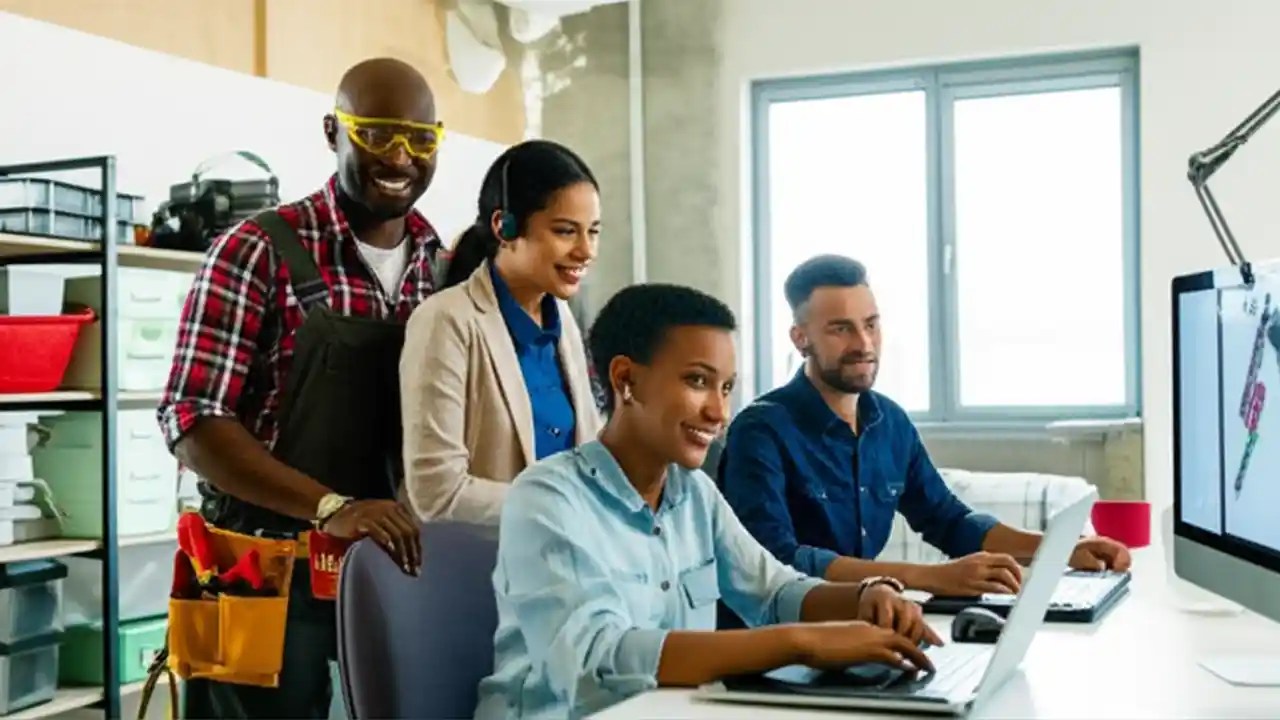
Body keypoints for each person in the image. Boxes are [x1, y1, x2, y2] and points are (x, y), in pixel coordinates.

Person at [474, 283, 942, 720]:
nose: (719, 412)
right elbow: (596, 662)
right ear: (626, 379)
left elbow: (772, 592)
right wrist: (804, 643)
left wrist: (865, 598)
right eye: (698, 381)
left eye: (726, 387)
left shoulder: (694, 493)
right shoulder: (546, 498)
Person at [158, 57, 443, 718]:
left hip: (389, 570)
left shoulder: (442, 267)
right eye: (375, 134)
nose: (399, 156)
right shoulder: (256, 250)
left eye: (419, 139)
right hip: (261, 572)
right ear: (332, 132)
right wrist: (329, 506)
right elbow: (192, 419)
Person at [719, 254, 1131, 607]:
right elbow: (776, 562)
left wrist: (1059, 550)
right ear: (800, 338)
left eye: (871, 324)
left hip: (859, 626)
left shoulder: (890, 423)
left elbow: (949, 520)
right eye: (840, 329)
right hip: (777, 644)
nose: (864, 343)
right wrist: (930, 577)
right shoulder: (759, 431)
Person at [400, 140, 604, 525]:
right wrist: (561, 507)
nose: (586, 250)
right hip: (484, 556)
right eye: (565, 231)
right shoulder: (446, 321)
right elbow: (436, 492)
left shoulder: (561, 319)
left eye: (592, 232)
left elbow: (588, 454)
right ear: (504, 226)